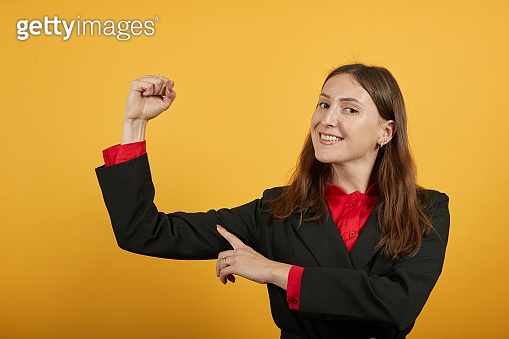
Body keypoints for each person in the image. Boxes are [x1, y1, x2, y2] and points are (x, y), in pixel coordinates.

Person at [96, 64, 450, 339]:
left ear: (385, 132)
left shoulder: (426, 210)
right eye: (323, 103)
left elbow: (397, 304)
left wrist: (274, 271)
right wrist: (135, 123)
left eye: (350, 110)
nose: (327, 119)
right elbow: (143, 232)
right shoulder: (276, 210)